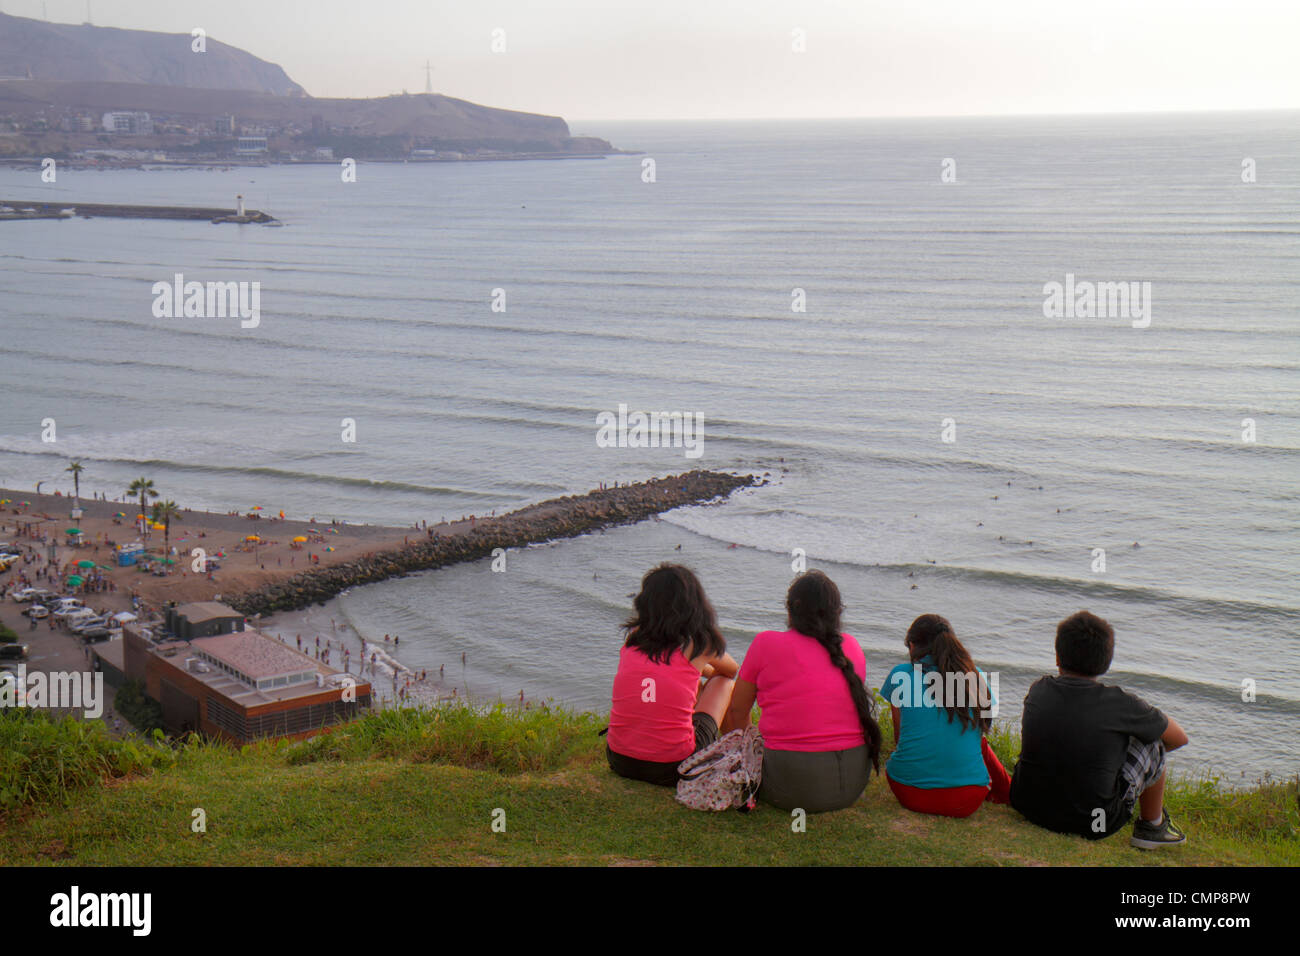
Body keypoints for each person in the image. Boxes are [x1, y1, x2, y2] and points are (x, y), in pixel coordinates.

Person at [1010, 610, 1189, 848]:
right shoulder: (1122, 704)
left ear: (1057, 656)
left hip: (1029, 807)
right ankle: (1152, 826)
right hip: (1094, 823)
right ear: (1106, 662)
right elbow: (1179, 738)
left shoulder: (1039, 689)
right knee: (1153, 743)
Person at [725, 570, 882, 813]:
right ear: (837, 612)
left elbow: (737, 709)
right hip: (852, 785)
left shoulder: (766, 643)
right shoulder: (851, 646)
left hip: (790, 789)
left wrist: (748, 758)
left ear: (791, 609)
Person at [606, 563, 740, 786]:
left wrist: (695, 672)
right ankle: (737, 751)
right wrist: (700, 669)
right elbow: (731, 670)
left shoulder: (634, 637)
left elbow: (671, 668)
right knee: (723, 683)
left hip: (620, 760)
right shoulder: (700, 642)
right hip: (673, 768)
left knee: (687, 681)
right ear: (694, 604)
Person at [880, 614, 1010, 817]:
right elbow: (979, 734)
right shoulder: (978, 678)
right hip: (969, 799)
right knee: (977, 741)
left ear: (913, 646)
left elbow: (900, 739)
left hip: (910, 791)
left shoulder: (901, 675)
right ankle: (1007, 792)